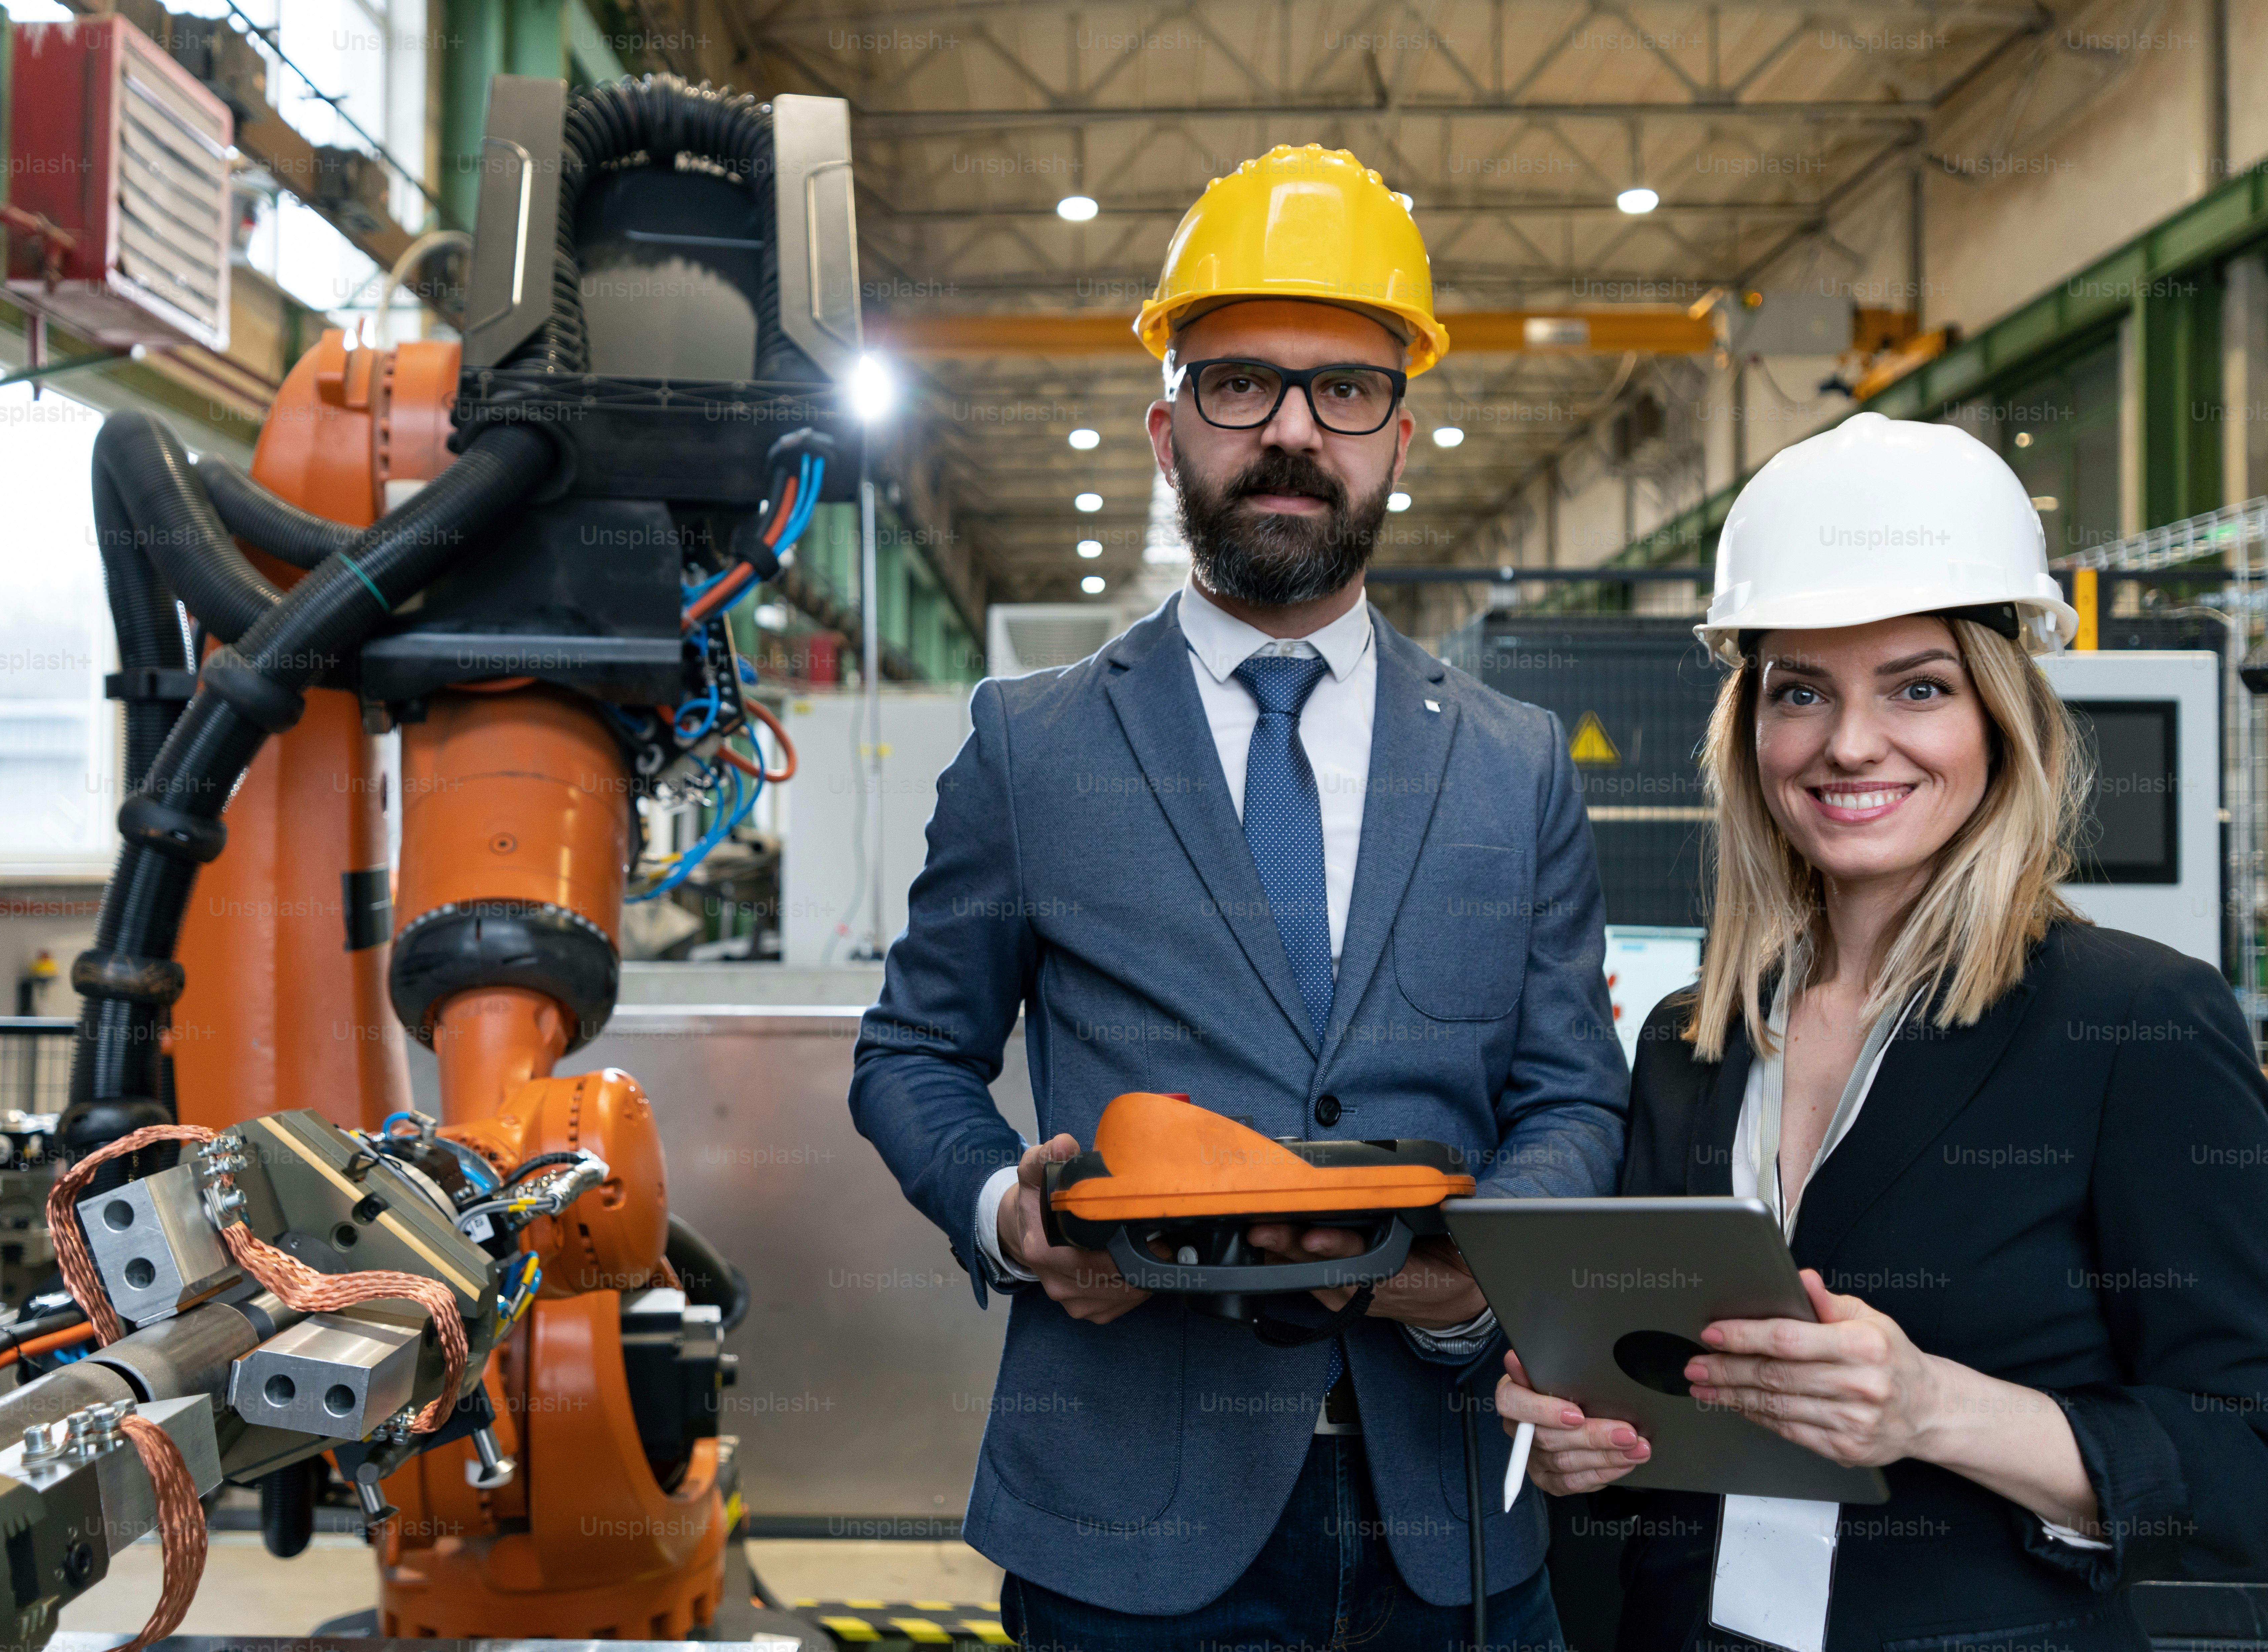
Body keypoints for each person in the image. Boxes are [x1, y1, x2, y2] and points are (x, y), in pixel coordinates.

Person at [849, 144, 1628, 1649]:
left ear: (1400, 436)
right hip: (1126, 1525)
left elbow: (1570, 1091)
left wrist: (1476, 1287)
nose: (1289, 431)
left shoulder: (1514, 763)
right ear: (1166, 430)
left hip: (1451, 1511)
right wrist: (1012, 1214)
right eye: (1237, 385)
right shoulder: (1035, 745)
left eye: (1343, 390)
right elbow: (912, 1057)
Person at [1498, 412, 2268, 1650]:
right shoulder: (1696, 1039)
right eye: (1802, 690)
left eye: (1918, 687)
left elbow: (2246, 1454)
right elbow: (1637, 1394)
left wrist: (1935, 1410)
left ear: (1999, 716)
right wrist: (1569, 1439)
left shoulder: (2134, 1025)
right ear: (1750, 729)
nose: (1850, 742)